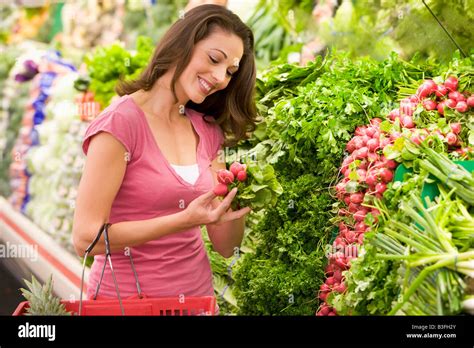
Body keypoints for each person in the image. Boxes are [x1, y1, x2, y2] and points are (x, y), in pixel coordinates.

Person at [72, 5, 257, 311]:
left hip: (196, 300)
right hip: (126, 303)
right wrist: (184, 220)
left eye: (230, 72)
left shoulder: (206, 130)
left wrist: (238, 201)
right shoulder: (121, 123)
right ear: (183, 43)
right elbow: (85, 239)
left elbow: (226, 247)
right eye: (214, 59)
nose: (220, 77)